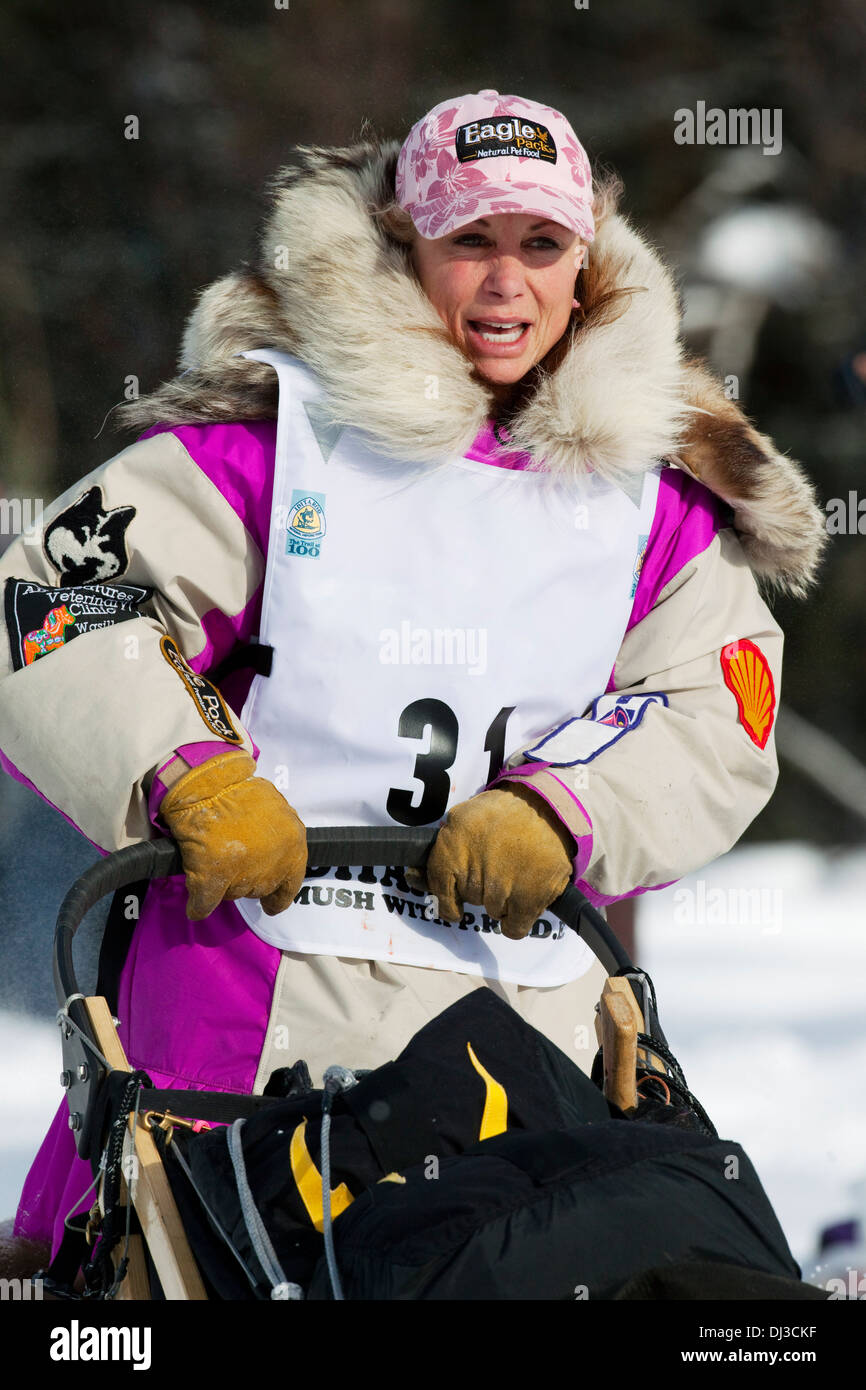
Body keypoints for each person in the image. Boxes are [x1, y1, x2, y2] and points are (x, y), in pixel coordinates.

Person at [0, 89, 824, 1275]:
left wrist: (561, 807)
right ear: (401, 245)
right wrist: (185, 774)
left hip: (522, 1031)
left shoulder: (651, 505)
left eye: (539, 245)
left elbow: (712, 709)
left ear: (585, 266)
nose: (505, 284)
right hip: (246, 1018)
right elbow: (60, 603)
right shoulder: (270, 445)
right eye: (467, 242)